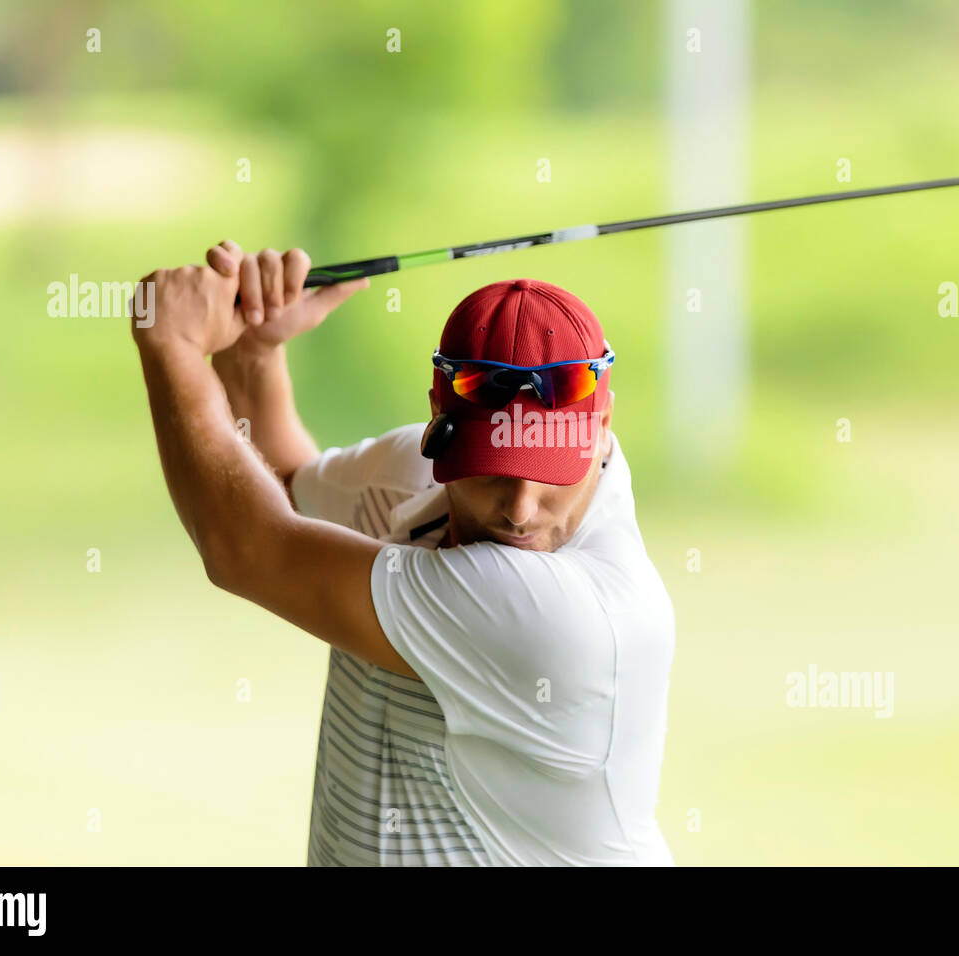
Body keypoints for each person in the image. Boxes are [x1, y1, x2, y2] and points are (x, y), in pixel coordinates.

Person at [132, 240, 675, 865]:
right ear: (437, 418)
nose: (519, 510)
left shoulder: (568, 619)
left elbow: (247, 548)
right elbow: (281, 488)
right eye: (492, 469)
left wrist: (172, 346)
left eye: (550, 471)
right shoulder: (416, 476)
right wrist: (252, 352)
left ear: (602, 426)